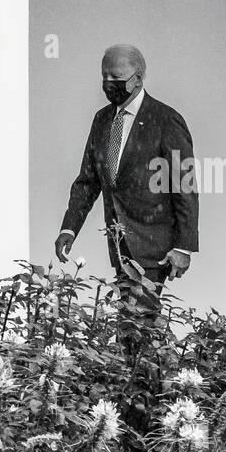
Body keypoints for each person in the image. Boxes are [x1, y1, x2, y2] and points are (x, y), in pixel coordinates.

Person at [55, 44, 199, 316]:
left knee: (140, 324)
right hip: (118, 242)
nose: (110, 85)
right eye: (105, 78)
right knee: (129, 326)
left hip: (154, 247)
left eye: (117, 79)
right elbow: (88, 180)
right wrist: (69, 228)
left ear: (139, 78)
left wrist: (184, 246)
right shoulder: (102, 120)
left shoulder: (166, 120)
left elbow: (185, 185)